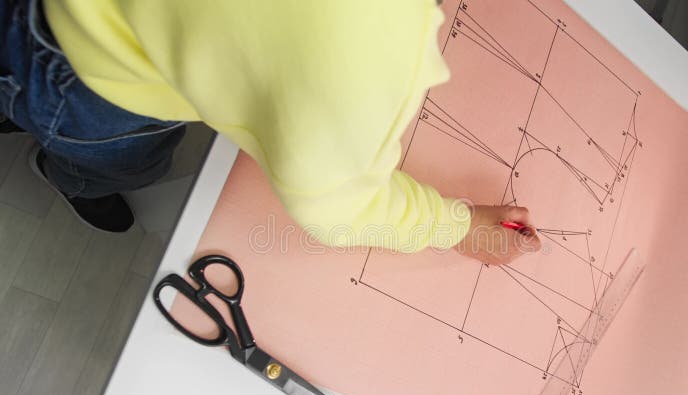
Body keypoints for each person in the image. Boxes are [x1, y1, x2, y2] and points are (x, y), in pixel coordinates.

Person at [1, 0, 541, 264]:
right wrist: (453, 226)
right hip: (79, 68)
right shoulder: (367, 49)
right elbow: (337, 209)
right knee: (128, 161)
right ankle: (70, 176)